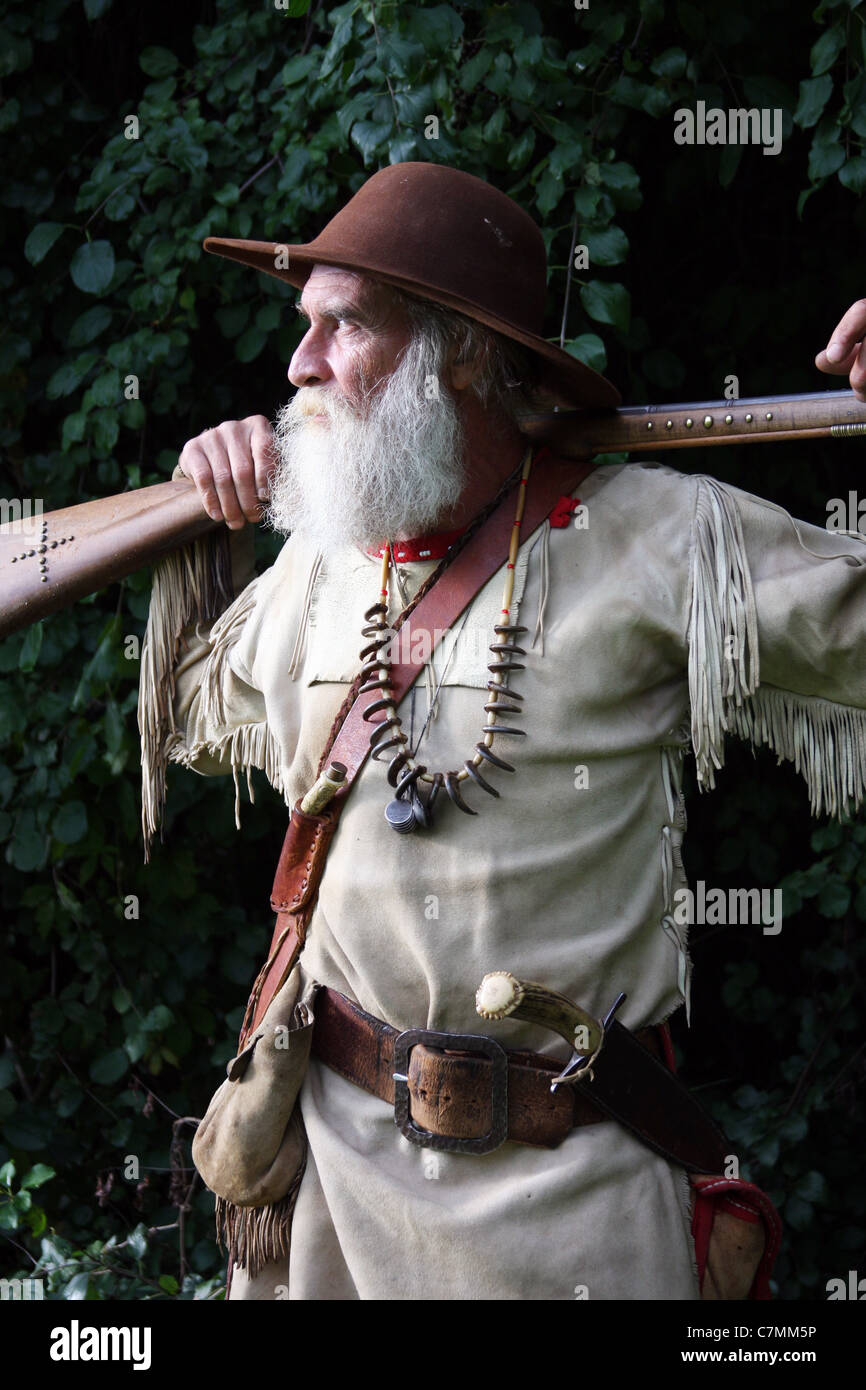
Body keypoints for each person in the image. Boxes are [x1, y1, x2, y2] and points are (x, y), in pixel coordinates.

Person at [139, 162, 866, 1301]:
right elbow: (187, 708)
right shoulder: (317, 553)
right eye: (303, 327)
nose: (298, 366)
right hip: (334, 1194)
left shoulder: (666, 541)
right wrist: (212, 520)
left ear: (457, 357)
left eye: (342, 327)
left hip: (570, 1200)